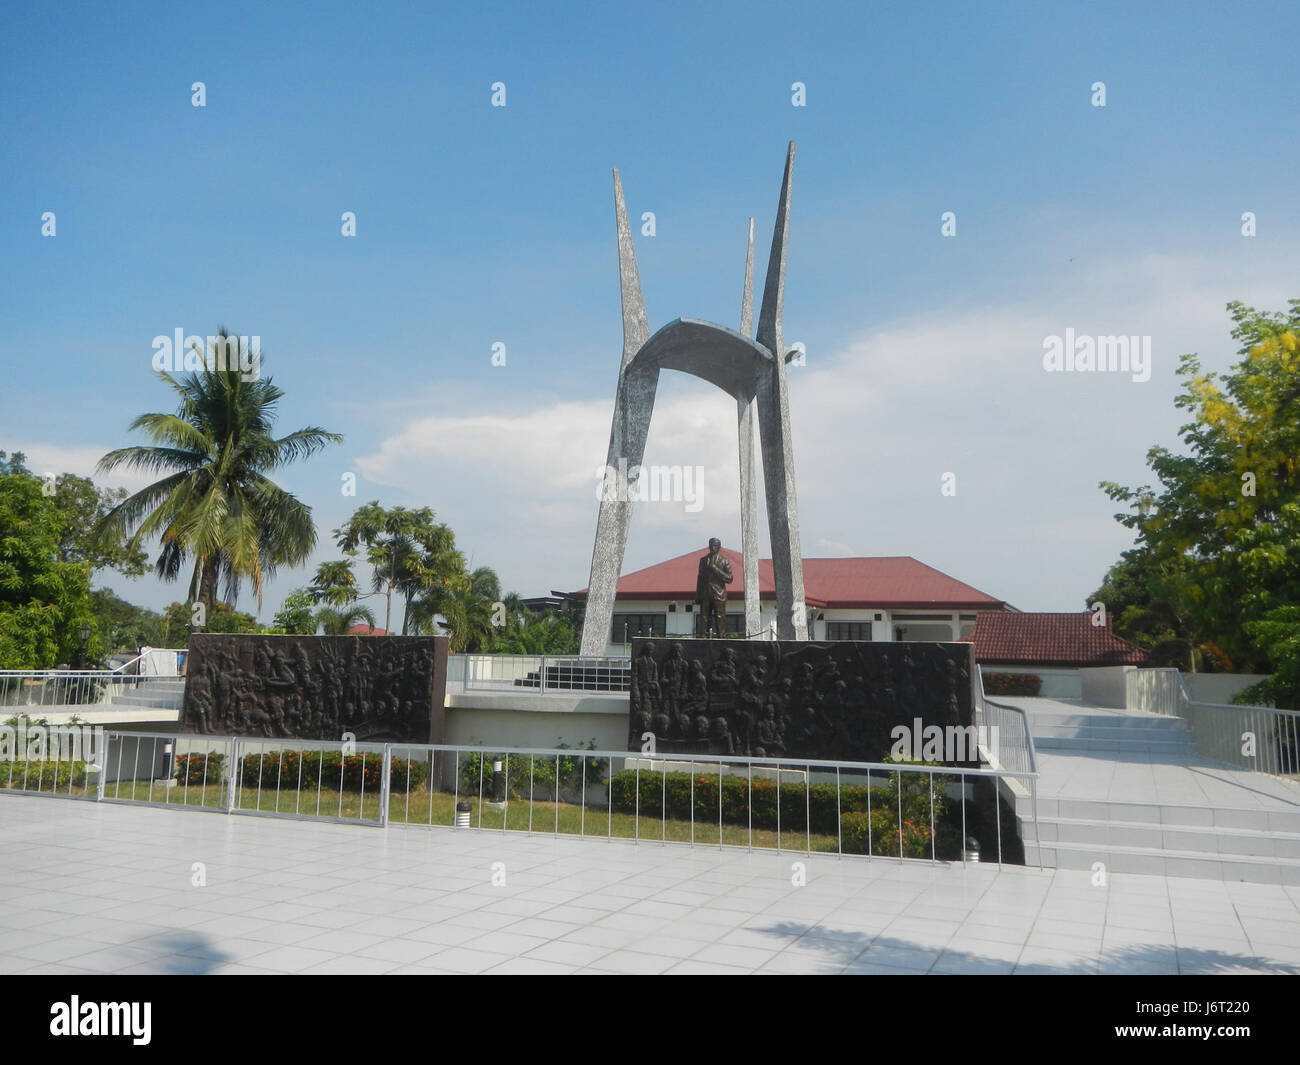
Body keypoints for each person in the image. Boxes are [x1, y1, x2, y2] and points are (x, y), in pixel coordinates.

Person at [695, 537, 733, 638]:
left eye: (715, 545)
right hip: (705, 593)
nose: (712, 547)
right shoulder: (703, 560)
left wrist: (715, 569)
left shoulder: (724, 561)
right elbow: (700, 577)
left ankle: (721, 637)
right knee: (704, 617)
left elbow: (729, 578)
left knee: (720, 617)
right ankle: (703, 636)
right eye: (711, 545)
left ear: (719, 547)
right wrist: (698, 595)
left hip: (719, 594)